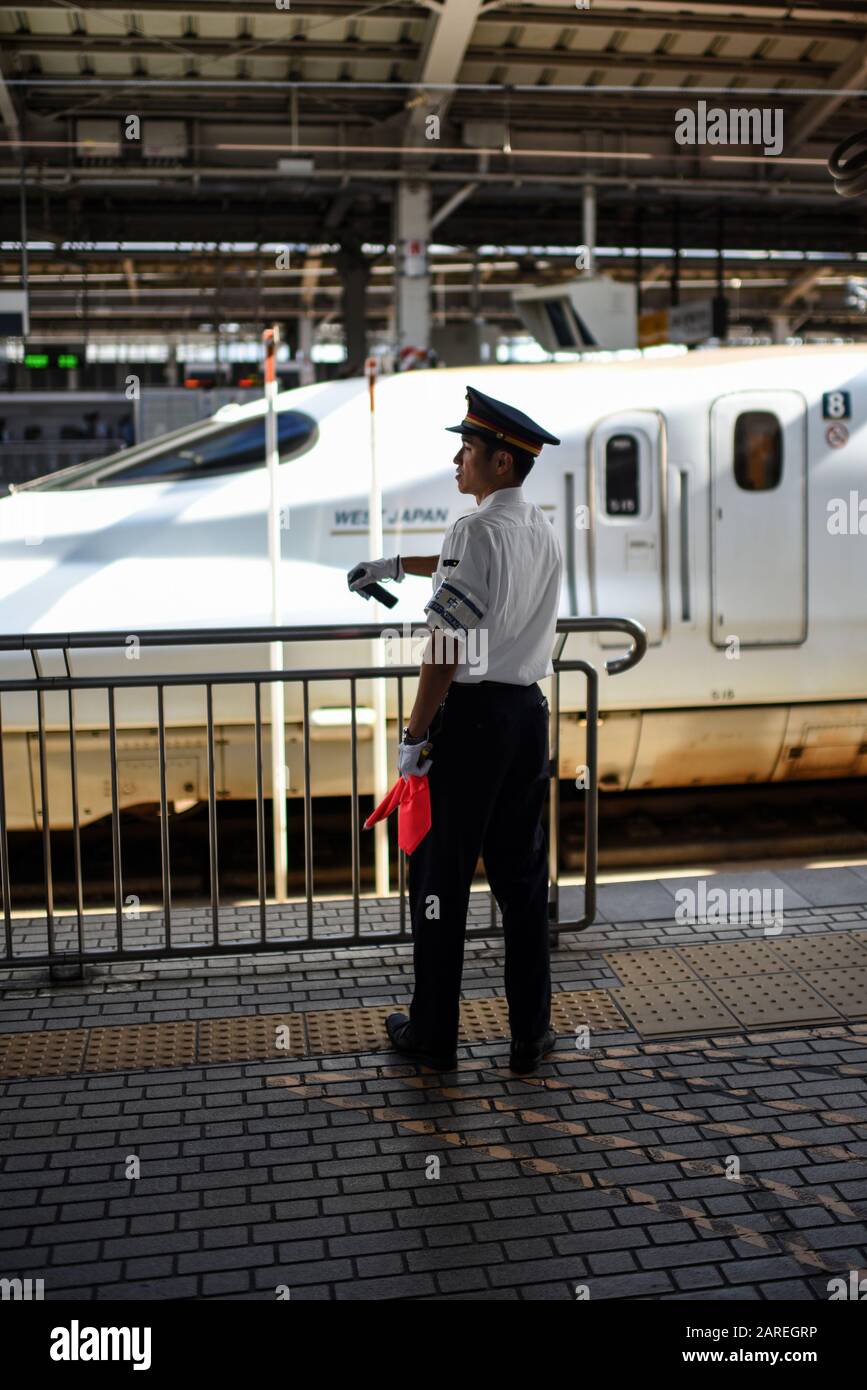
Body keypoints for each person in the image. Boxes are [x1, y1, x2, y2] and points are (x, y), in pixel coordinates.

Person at [348, 386, 563, 1074]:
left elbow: (443, 647)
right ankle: (530, 1034)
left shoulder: (473, 531)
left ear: (500, 463)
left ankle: (434, 1032)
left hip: (469, 726)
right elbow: (467, 576)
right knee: (521, 880)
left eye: (467, 449)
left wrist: (414, 739)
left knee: (440, 880)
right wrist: (392, 566)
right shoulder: (537, 527)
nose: (455, 459)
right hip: (526, 716)